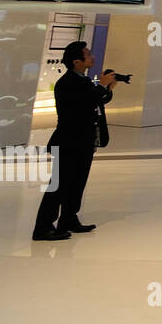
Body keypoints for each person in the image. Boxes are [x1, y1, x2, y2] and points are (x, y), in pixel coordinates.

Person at [33, 41, 120, 241]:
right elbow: (85, 102)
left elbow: (97, 100)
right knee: (59, 186)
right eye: (88, 55)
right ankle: (43, 227)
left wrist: (108, 88)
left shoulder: (82, 81)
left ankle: (69, 219)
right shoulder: (68, 83)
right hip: (69, 142)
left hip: (83, 142)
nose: (93, 58)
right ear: (77, 61)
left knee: (77, 183)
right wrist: (103, 85)